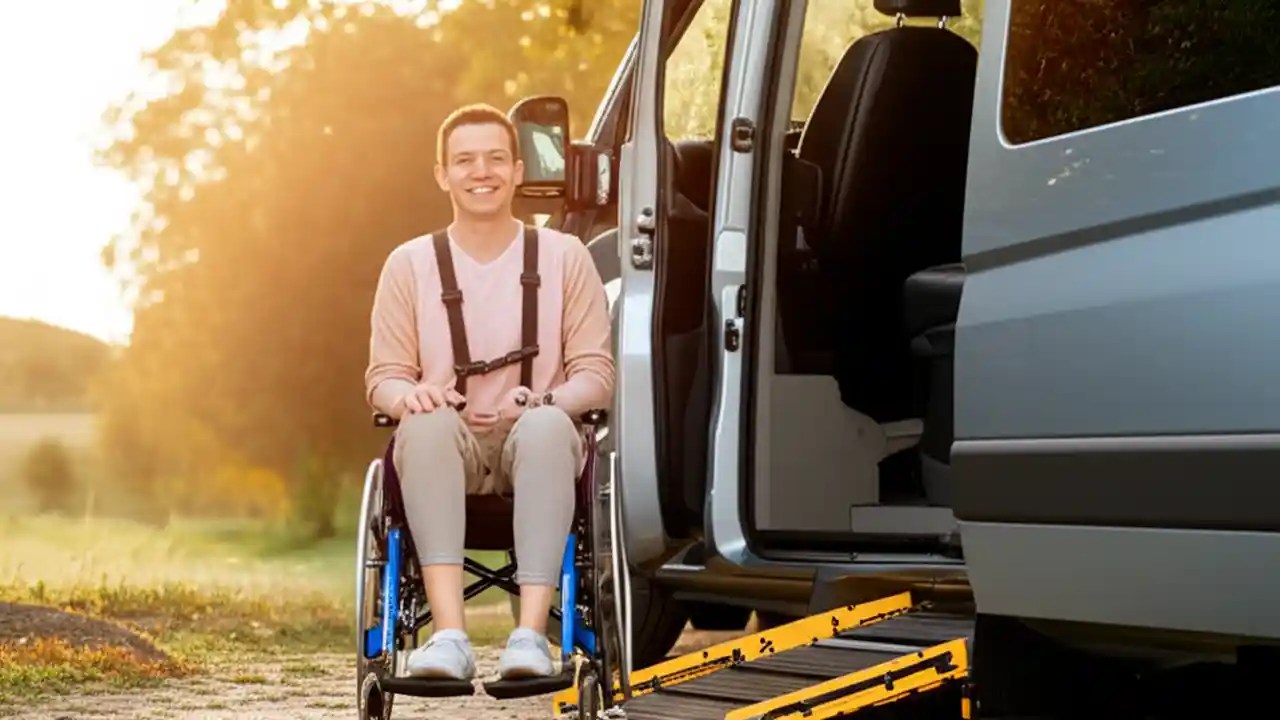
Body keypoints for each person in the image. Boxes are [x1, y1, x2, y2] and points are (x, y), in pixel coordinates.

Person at [364, 103, 614, 681]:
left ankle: (530, 637)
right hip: (448, 446)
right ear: (442, 174)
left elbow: (596, 375)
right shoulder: (409, 265)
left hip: (537, 442)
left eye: (496, 159)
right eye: (465, 160)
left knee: (552, 427)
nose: (483, 172)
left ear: (519, 170)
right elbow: (384, 377)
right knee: (422, 424)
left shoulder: (565, 258)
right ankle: (450, 637)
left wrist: (548, 402)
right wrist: (412, 398)